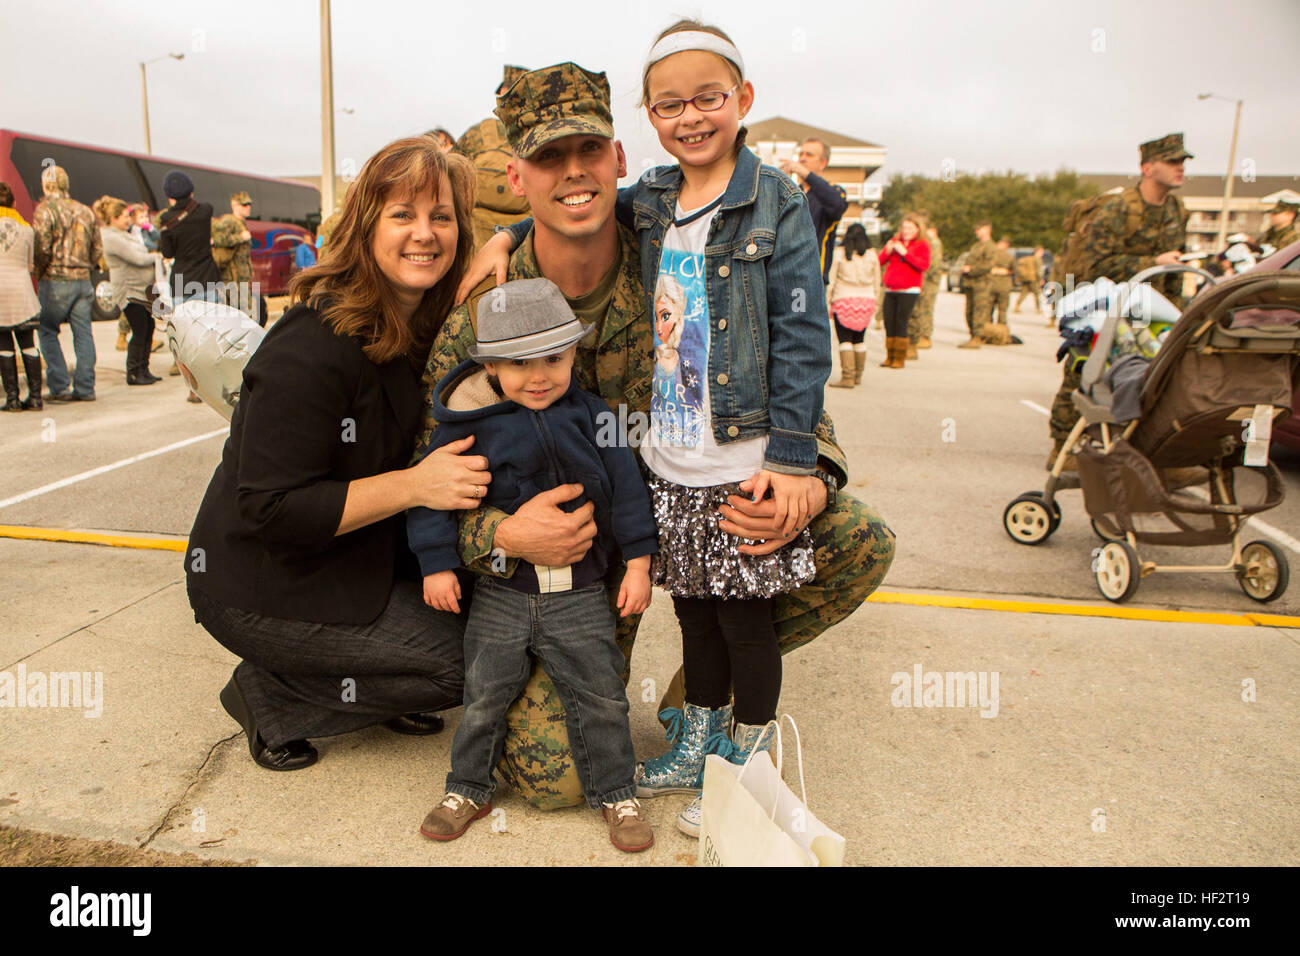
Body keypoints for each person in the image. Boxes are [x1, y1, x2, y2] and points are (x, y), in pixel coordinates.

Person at [445, 40, 893, 823]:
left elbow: (779, 358)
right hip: (575, 563)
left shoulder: (670, 232)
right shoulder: (490, 308)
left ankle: (715, 714)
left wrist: (808, 475)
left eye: (590, 150)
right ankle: (687, 701)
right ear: (518, 179)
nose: (575, 173)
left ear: (620, 157)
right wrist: (503, 536)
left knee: (856, 537)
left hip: (696, 486)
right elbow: (439, 464)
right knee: (558, 786)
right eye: (550, 160)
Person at [186, 137, 481, 772]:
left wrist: (507, 244)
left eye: (441, 216)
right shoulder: (312, 343)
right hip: (260, 579)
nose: (424, 234)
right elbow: (271, 509)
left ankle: (366, 679)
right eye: (402, 215)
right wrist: (416, 486)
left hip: (352, 556)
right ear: (365, 226)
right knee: (467, 667)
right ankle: (273, 695)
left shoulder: (421, 323)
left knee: (497, 633)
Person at [411, 278, 657, 851]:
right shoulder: (465, 425)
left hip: (581, 594)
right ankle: (468, 786)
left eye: (553, 356)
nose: (539, 374)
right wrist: (436, 564)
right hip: (502, 592)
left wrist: (640, 564)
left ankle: (617, 792)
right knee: (485, 694)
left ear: (575, 352)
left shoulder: (597, 418)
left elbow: (629, 494)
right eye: (518, 362)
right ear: (491, 367)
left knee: (601, 692)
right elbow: (434, 498)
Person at [1047, 132, 1191, 469]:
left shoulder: (1177, 209)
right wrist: (1151, 263)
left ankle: (1148, 450)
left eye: (1183, 161)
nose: (1180, 168)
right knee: (1084, 367)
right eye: (1172, 161)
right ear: (1147, 168)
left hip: (1152, 305)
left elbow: (1171, 266)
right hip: (1103, 300)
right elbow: (1096, 267)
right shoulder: (1117, 209)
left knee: (1157, 374)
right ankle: (1062, 448)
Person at [31, 165, 100, 402]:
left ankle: (59, 385)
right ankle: (86, 388)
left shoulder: (44, 211)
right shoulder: (86, 211)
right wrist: (87, 267)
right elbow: (97, 249)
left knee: (47, 330)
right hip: (83, 281)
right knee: (83, 334)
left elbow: (41, 248)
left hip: (55, 280)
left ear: (46, 184)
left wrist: (39, 273)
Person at [453, 64, 532, 249]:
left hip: (480, 235)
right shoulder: (540, 135)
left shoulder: (480, 131)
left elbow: (448, 170)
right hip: (522, 234)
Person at [93, 195, 161, 386]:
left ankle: (144, 369)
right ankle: (133, 372)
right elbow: (138, 258)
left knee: (149, 328)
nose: (128, 219)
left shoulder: (125, 233)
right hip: (129, 291)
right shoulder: (111, 237)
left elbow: (142, 253)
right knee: (139, 330)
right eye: (124, 216)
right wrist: (156, 257)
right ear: (113, 218)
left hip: (141, 290)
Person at [0, 182, 43, 410]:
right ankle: (36, 397)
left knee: (4, 345)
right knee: (28, 343)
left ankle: (12, 399)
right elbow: (29, 265)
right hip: (21, 291)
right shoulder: (27, 229)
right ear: (13, 203)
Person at [780, 138, 848, 281]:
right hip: (785, 275)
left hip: (813, 276)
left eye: (809, 155)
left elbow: (837, 205)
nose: (803, 159)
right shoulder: (792, 193)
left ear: (823, 163)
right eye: (801, 154)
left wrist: (805, 173)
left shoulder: (833, 191)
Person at [826, 222, 880, 387]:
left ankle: (847, 377)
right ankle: (858, 375)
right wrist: (875, 299)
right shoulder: (872, 255)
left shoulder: (839, 254)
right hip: (866, 300)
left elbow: (832, 279)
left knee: (845, 339)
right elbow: (877, 280)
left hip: (844, 299)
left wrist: (828, 300)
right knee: (859, 339)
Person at [877, 213, 931, 369]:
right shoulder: (895, 242)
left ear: (917, 229)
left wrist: (905, 253)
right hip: (891, 289)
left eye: (910, 228)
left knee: (901, 322)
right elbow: (880, 261)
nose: (906, 231)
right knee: (889, 322)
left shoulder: (922, 244)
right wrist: (887, 251)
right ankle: (889, 355)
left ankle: (899, 357)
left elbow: (923, 265)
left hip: (909, 290)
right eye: (904, 227)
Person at [211, 190, 260, 323]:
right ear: (234, 205)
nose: (248, 207)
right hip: (232, 279)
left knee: (244, 317)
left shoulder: (241, 223)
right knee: (244, 318)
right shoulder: (229, 221)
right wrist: (240, 237)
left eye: (249, 204)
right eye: (244, 205)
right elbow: (217, 239)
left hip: (241, 279)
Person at [910, 220, 943, 352]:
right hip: (922, 280)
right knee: (919, 309)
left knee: (926, 308)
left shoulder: (934, 242)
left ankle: (925, 336)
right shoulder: (927, 241)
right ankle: (918, 336)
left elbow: (933, 264)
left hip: (929, 282)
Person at [989, 236, 1014, 328]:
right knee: (1002, 311)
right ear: (1007, 246)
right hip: (1004, 287)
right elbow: (1016, 271)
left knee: (988, 310)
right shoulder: (1009, 257)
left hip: (991, 286)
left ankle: (988, 330)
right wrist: (1006, 271)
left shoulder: (990, 256)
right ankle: (1001, 332)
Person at [1014, 245, 1043, 314]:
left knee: (1023, 293)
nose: (1042, 253)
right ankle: (1038, 309)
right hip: (1033, 279)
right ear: (1038, 252)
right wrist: (1040, 279)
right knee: (1037, 294)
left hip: (1026, 278)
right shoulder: (1037, 259)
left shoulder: (1030, 258)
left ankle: (1017, 306)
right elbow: (1038, 271)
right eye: (1042, 252)